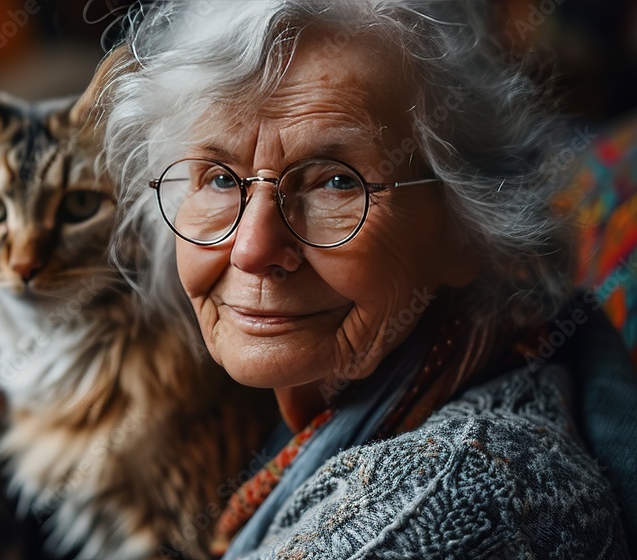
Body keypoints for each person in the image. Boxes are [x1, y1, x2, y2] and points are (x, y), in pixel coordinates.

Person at [103, 0, 636, 558]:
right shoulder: (283, 418)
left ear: (467, 228)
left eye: (335, 182)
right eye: (217, 178)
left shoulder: (463, 501)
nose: (254, 248)